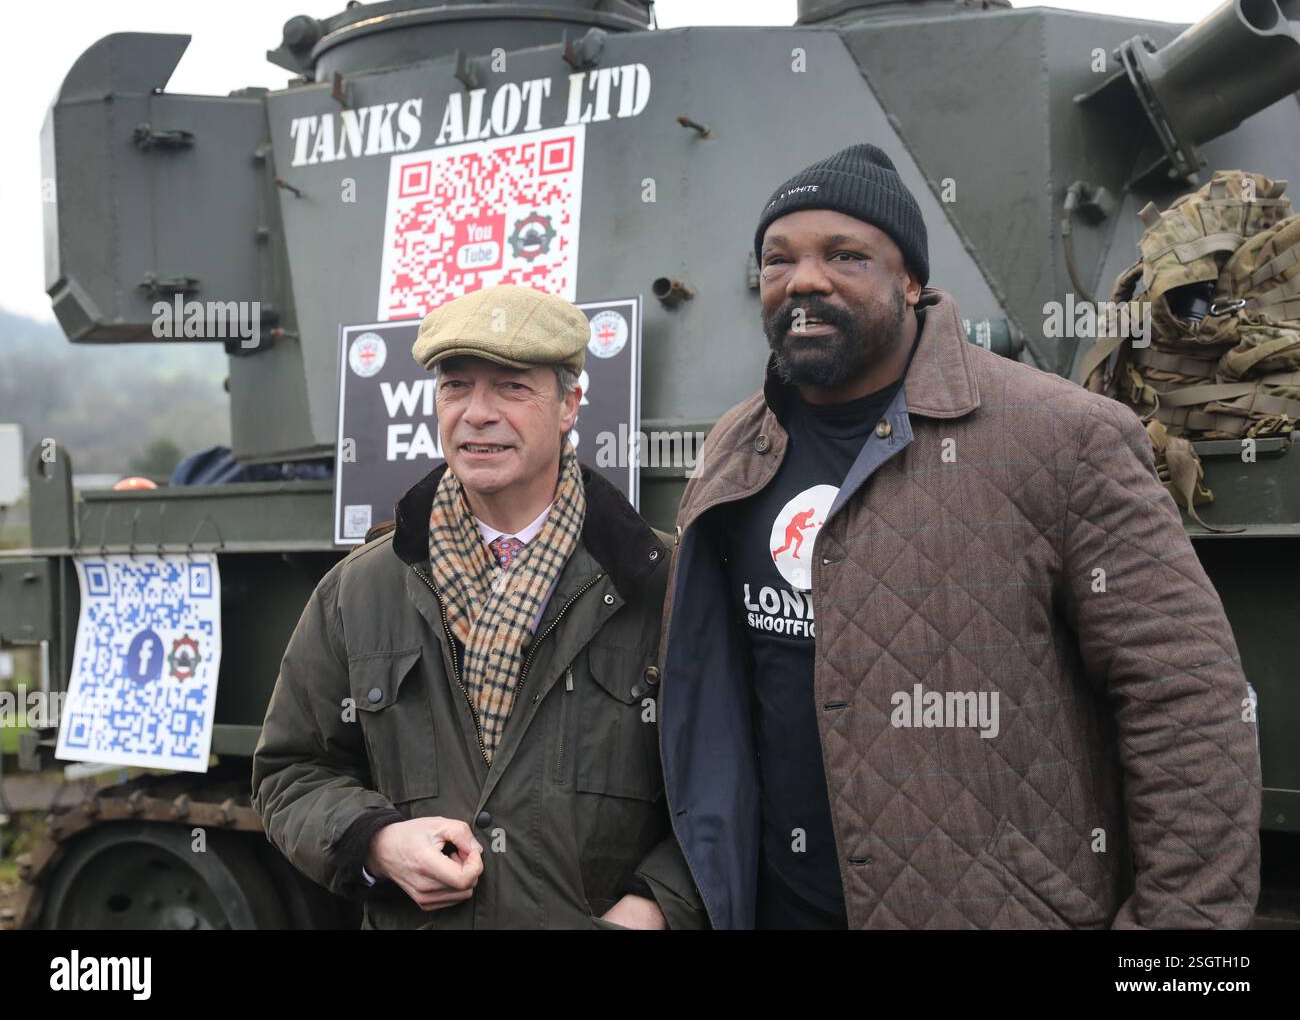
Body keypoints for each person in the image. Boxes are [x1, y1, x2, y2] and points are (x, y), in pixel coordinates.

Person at [657, 144, 1262, 929]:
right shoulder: (737, 445)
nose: (803, 279)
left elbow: (1188, 700)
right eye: (779, 259)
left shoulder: (1062, 435)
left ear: (910, 280)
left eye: (845, 254)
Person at [253, 283, 703, 929]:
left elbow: (730, 783)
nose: (477, 413)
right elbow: (289, 770)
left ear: (570, 404)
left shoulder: (662, 585)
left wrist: (658, 904)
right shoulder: (362, 590)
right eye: (456, 386)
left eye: (513, 387)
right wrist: (379, 841)